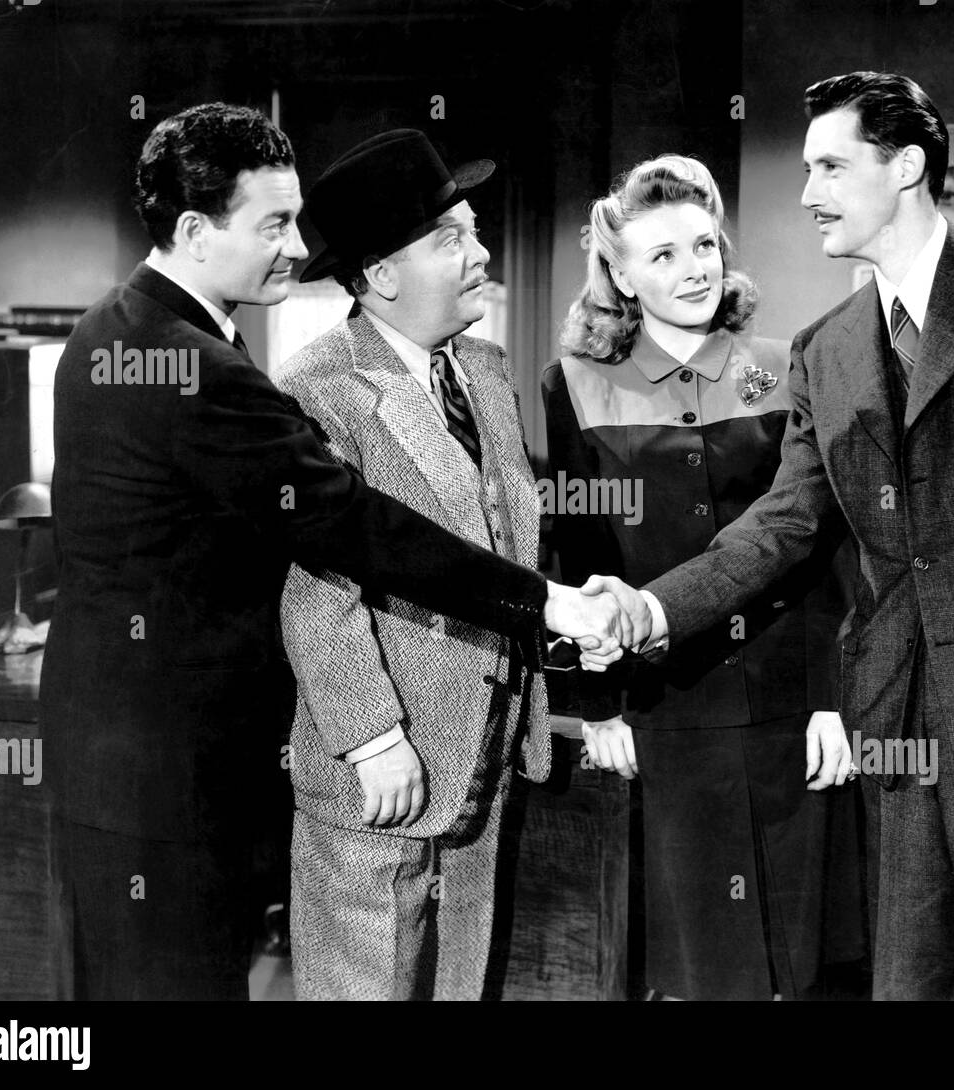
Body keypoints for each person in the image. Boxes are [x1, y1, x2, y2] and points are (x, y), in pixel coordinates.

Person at [592, 72, 954, 1000]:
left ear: (906, 167)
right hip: (898, 737)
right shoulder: (824, 350)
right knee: (907, 983)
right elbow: (783, 525)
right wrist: (647, 609)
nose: (805, 194)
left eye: (830, 166)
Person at [41, 104, 627, 1001]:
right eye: (273, 224)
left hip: (146, 763)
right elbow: (352, 527)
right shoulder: (190, 362)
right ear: (196, 232)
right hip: (163, 778)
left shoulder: (128, 329)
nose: (294, 244)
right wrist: (545, 603)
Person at [542, 155, 865, 1000]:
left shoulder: (787, 364)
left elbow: (827, 538)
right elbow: (578, 557)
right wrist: (597, 705)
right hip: (665, 705)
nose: (693, 270)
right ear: (619, 273)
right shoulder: (572, 385)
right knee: (691, 964)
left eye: (703, 246)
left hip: (788, 700)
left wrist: (835, 695)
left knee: (805, 957)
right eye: (662, 256)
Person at [276, 129, 551, 1000]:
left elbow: (503, 536)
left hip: (483, 748)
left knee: (460, 983)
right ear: (382, 275)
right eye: (452, 238)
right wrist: (371, 737)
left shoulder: (484, 366)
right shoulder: (314, 387)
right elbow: (315, 584)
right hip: (383, 769)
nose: (481, 254)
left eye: (474, 231)